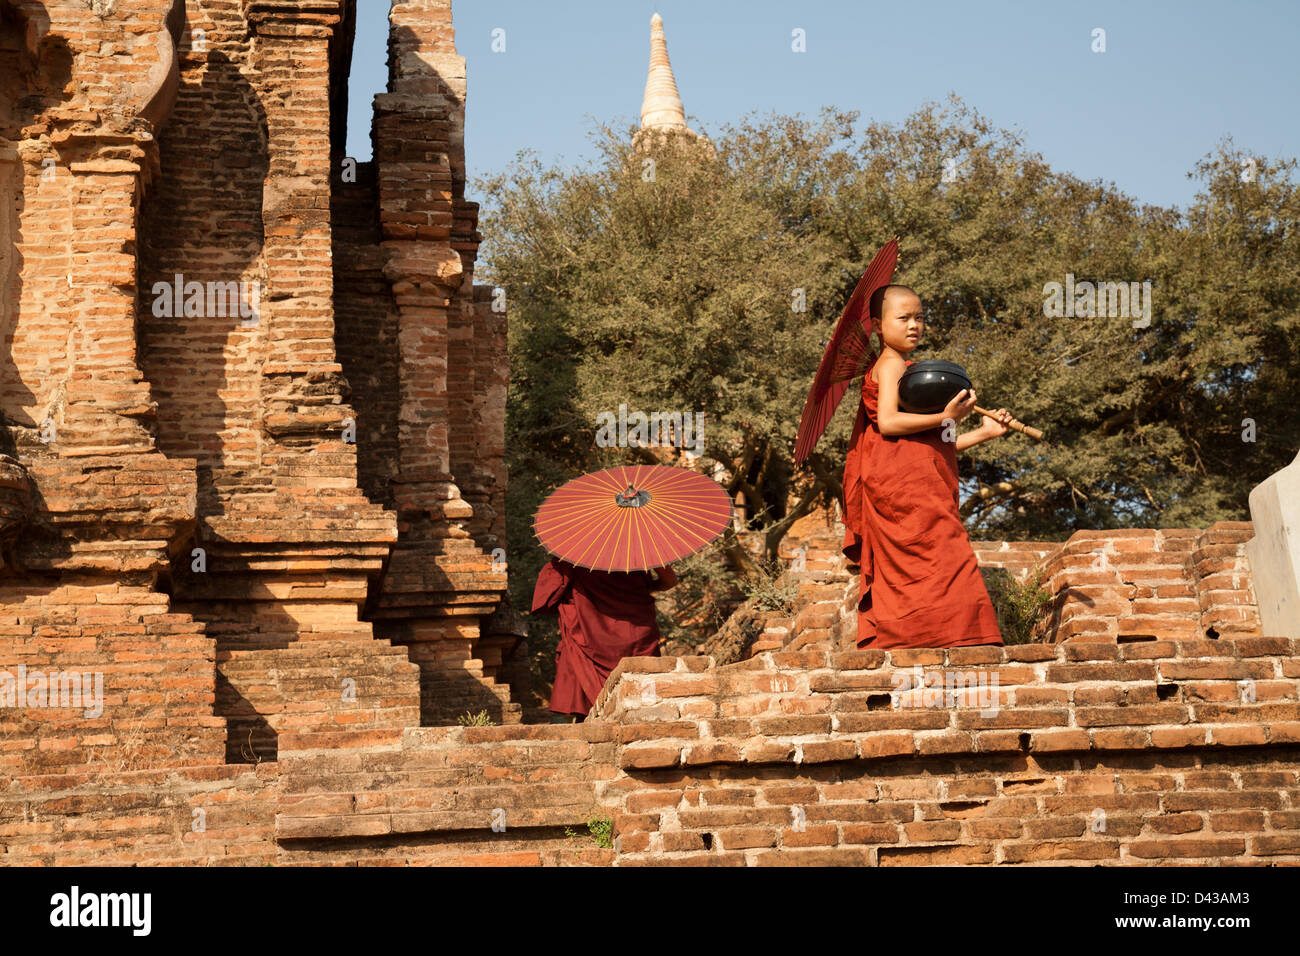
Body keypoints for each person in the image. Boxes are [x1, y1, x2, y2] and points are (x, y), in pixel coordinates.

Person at [841, 284, 1014, 649]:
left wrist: (983, 433)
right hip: (903, 491)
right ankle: (964, 641)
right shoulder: (889, 365)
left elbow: (933, 445)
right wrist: (945, 414)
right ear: (877, 325)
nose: (914, 325)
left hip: (918, 482)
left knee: (936, 562)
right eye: (903, 318)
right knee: (948, 556)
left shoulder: (907, 371)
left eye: (919, 317)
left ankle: (926, 639)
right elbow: (888, 422)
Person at [530, 558, 677, 721]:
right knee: (642, 686)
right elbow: (670, 580)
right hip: (635, 628)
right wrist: (649, 585)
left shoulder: (579, 550)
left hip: (590, 630)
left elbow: (551, 590)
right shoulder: (639, 544)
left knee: (587, 708)